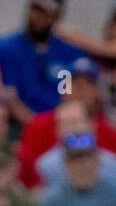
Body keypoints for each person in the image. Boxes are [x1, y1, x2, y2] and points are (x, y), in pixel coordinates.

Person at [0, 0, 88, 118]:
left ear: (57, 16)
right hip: (18, 124)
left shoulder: (70, 53)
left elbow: (70, 94)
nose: (38, 17)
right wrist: (38, 128)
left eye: (46, 12)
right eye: (35, 9)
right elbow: (9, 97)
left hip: (61, 123)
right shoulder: (5, 48)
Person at [18, 57, 116, 188]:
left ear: (97, 90)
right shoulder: (38, 126)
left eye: (89, 83)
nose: (81, 88)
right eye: (74, 82)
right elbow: (27, 173)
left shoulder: (109, 132)